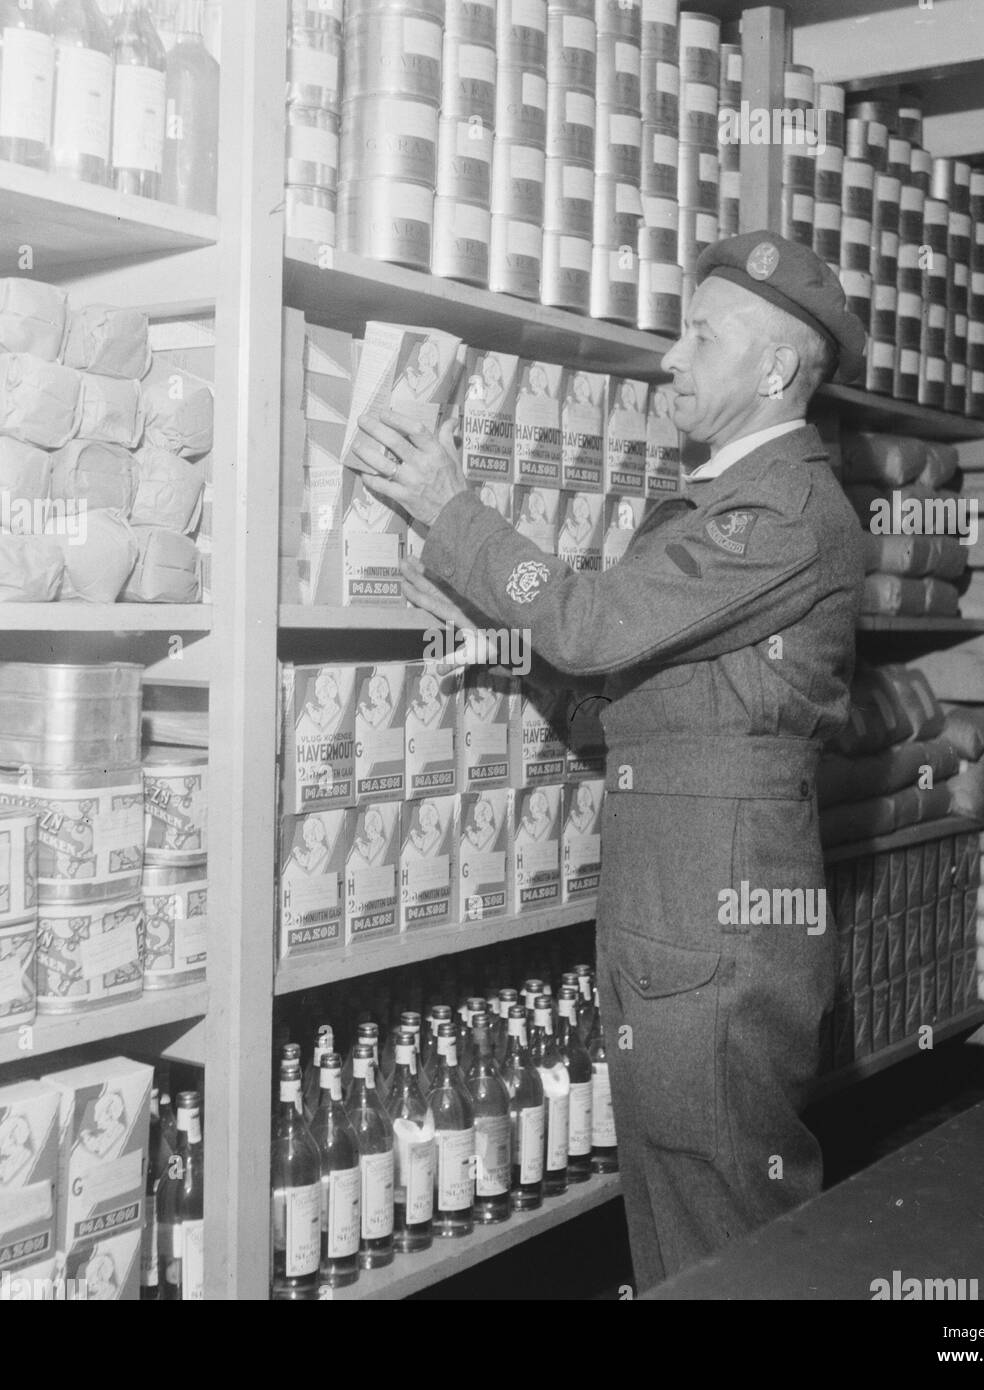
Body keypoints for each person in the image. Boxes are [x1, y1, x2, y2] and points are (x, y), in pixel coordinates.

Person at [345, 231, 867, 1290]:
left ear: (774, 371)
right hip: (675, 929)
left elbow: (590, 625)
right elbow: (610, 708)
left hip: (714, 940)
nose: (670, 359)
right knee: (686, 1229)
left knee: (731, 1235)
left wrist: (455, 511)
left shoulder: (784, 512)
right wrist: (494, 631)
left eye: (701, 337)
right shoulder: (721, 499)